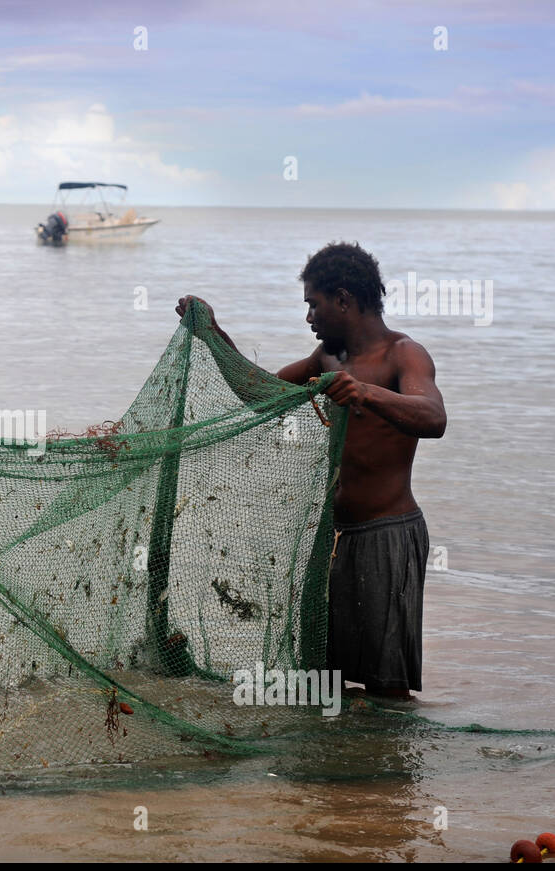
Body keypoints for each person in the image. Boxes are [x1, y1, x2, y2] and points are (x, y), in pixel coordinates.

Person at [176, 241, 446, 698]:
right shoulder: (326, 361)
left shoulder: (403, 354)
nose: (309, 319)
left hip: (387, 536)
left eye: (313, 306)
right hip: (331, 541)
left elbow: (432, 417)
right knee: (327, 681)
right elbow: (259, 393)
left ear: (343, 300)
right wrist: (212, 334)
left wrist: (364, 393)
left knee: (387, 687)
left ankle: (387, 767)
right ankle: (335, 765)